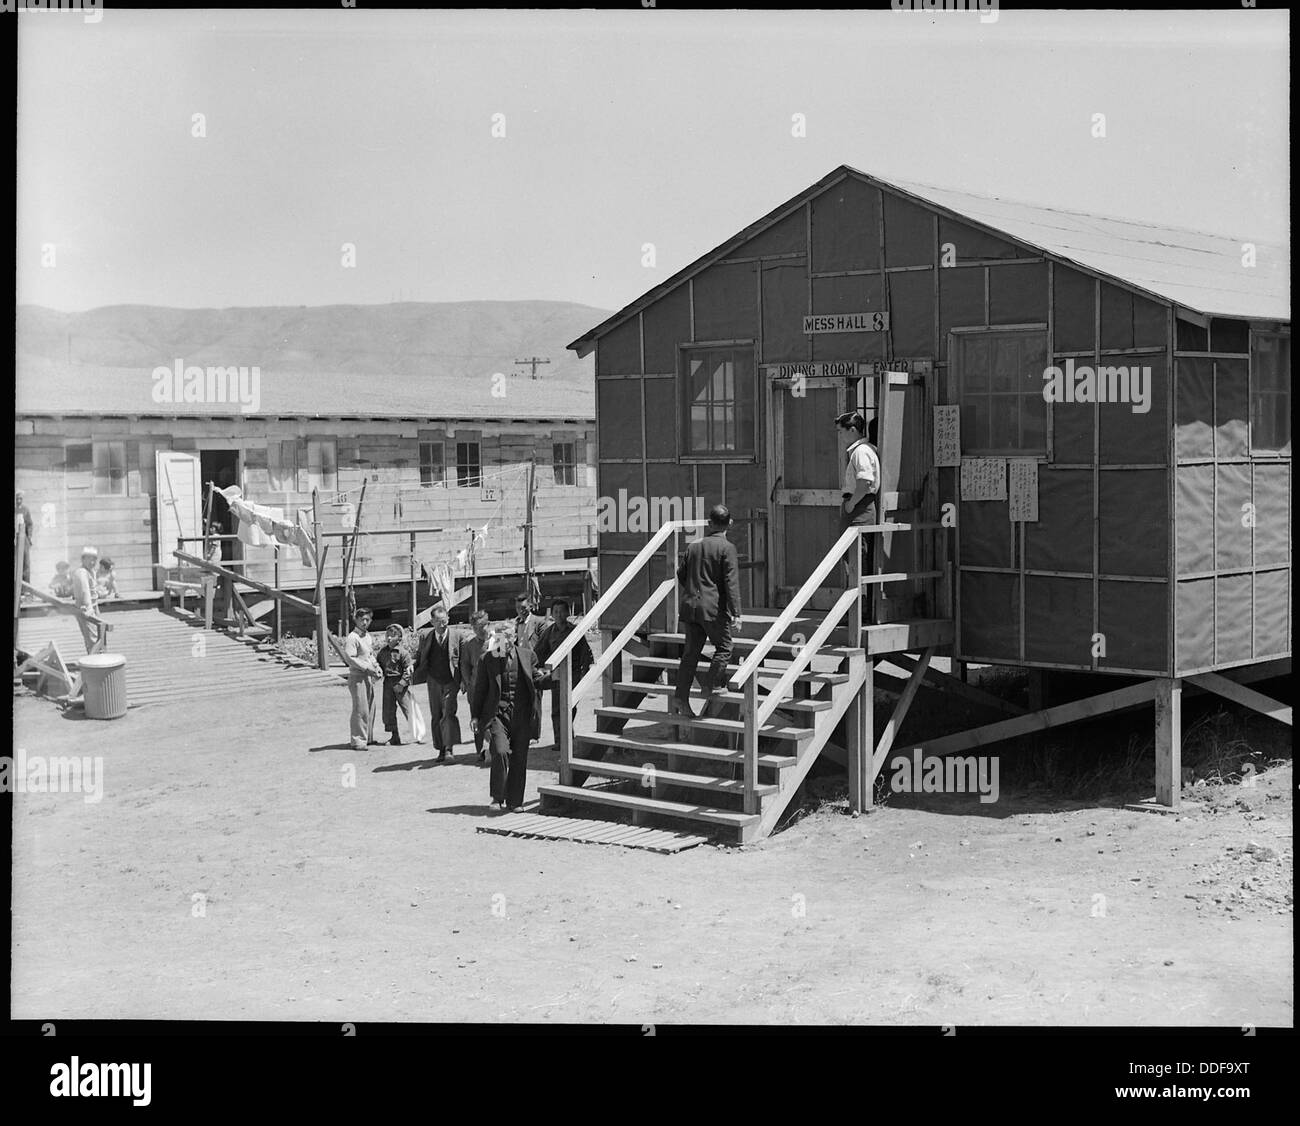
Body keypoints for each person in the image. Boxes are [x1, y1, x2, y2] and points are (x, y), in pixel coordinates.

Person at [670, 504, 742, 737]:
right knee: (724, 647)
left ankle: (681, 697)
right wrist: (736, 613)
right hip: (712, 609)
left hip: (690, 607)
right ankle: (710, 684)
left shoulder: (693, 546)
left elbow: (681, 574)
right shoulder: (727, 548)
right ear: (729, 524)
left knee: (690, 655)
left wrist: (694, 590)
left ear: (709, 524)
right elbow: (731, 583)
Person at [470, 620, 549, 812]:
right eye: (497, 637)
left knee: (520, 758)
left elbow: (537, 680)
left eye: (504, 636)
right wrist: (475, 716)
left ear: (513, 637)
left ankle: (515, 801)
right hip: (497, 714)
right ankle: (497, 797)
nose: (500, 640)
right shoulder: (487, 659)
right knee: (500, 750)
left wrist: (555, 678)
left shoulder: (527, 656)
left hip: (522, 715)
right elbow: (479, 689)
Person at [836, 411, 881, 621]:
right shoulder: (864, 449)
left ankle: (859, 612)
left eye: (841, 431)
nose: (840, 436)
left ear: (852, 430)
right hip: (858, 506)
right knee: (853, 558)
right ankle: (858, 610)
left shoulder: (861, 451)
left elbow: (864, 482)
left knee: (857, 559)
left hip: (859, 507)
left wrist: (852, 503)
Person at [534, 597, 594, 752]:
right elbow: (539, 652)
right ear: (552, 614)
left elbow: (585, 653)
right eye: (556, 612)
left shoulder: (575, 631)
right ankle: (560, 741)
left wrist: (585, 673)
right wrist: (537, 667)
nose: (559, 614)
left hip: (573, 674)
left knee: (570, 707)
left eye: (562, 611)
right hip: (557, 675)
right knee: (556, 709)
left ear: (567, 613)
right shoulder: (549, 632)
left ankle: (568, 736)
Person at [414, 604, 462, 761]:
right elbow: (420, 656)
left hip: (450, 681)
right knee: (436, 714)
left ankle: (449, 748)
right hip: (433, 680)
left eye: (444, 620)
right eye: (438, 621)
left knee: (448, 712)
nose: (442, 624)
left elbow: (463, 660)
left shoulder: (457, 636)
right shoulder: (426, 637)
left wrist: (463, 680)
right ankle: (440, 748)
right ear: (432, 622)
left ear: (448, 618)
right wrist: (411, 668)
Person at [341, 606, 381, 751]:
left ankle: (367, 738)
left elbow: (370, 655)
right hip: (358, 677)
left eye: (367, 619)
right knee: (360, 709)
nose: (364, 622)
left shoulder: (367, 636)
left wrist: (376, 667)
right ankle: (358, 741)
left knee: (370, 708)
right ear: (356, 620)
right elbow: (350, 658)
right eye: (362, 619)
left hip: (369, 676)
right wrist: (366, 668)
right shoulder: (353, 637)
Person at [458, 610, 491, 760]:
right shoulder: (469, 644)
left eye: (481, 626)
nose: (479, 630)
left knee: (494, 718)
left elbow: (503, 663)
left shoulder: (497, 640)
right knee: (476, 719)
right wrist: (468, 682)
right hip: (476, 688)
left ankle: (495, 749)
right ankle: (481, 752)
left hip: (493, 688)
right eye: (475, 627)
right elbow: (464, 665)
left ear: (488, 624)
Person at [512, 591, 545, 742]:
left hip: (534, 666)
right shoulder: (516, 623)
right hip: (519, 666)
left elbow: (545, 645)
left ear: (530, 606)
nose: (521, 610)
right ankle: (524, 731)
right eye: (518, 607)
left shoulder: (539, 622)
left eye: (524, 607)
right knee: (522, 701)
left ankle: (534, 734)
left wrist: (541, 667)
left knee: (535, 701)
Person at [376, 624, 416, 746]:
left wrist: (402, 683)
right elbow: (377, 665)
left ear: (399, 638)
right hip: (388, 683)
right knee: (388, 710)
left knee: (408, 708)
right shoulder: (382, 652)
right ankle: (394, 736)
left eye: (393, 636)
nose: (389, 638)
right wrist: (376, 670)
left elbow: (408, 670)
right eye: (387, 635)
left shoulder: (403, 652)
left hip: (400, 683)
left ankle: (418, 733)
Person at [70, 546, 102, 653]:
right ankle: (93, 662)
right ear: (83, 559)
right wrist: (90, 611)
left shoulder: (91, 571)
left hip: (92, 608)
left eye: (94, 559)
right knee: (92, 638)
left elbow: (94, 594)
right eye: (89, 559)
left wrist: (97, 612)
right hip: (85, 609)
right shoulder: (82, 572)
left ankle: (95, 658)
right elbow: (85, 591)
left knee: (98, 636)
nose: (92, 562)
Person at [15, 491, 34, 585]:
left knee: (26, 563)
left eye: (20, 499)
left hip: (24, 538)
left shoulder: (25, 510)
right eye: (17, 499)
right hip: (15, 539)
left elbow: (30, 524)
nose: (18, 501)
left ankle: (26, 587)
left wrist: (29, 536)